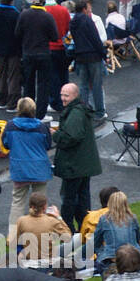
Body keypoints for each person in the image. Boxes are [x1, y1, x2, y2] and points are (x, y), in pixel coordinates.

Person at [2, 95, 53, 239]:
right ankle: (39, 234)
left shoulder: (11, 125)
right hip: (40, 170)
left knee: (18, 202)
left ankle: (12, 237)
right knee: (40, 203)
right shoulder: (42, 127)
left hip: (20, 169)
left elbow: (5, 144)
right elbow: (48, 145)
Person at [53, 81, 101, 233]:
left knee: (69, 200)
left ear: (75, 96)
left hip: (74, 165)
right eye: (61, 95)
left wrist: (56, 134)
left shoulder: (76, 113)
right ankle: (84, 228)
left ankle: (68, 230)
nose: (63, 98)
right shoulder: (79, 110)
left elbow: (71, 137)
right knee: (83, 198)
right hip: (83, 164)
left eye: (66, 95)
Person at [93, 188, 140, 278]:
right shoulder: (133, 218)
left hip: (112, 259)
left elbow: (96, 241)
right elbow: (138, 239)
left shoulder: (104, 219)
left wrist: (102, 252)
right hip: (133, 258)